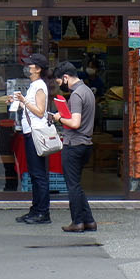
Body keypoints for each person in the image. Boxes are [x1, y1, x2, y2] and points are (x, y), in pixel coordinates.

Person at [6, 54, 54, 224]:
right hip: (30, 132)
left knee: (38, 174)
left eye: (30, 65)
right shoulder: (35, 85)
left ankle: (42, 212)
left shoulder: (40, 85)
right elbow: (33, 108)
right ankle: (36, 210)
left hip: (35, 133)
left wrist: (23, 100)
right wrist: (18, 102)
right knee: (35, 173)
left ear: (38, 69)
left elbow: (40, 111)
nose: (27, 68)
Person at [53, 60, 98, 232]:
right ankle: (89, 221)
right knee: (76, 184)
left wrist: (58, 118)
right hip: (86, 143)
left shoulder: (77, 94)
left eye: (59, 82)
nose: (60, 86)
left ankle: (77, 222)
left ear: (65, 78)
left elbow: (75, 122)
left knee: (72, 185)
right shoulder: (87, 91)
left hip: (74, 144)